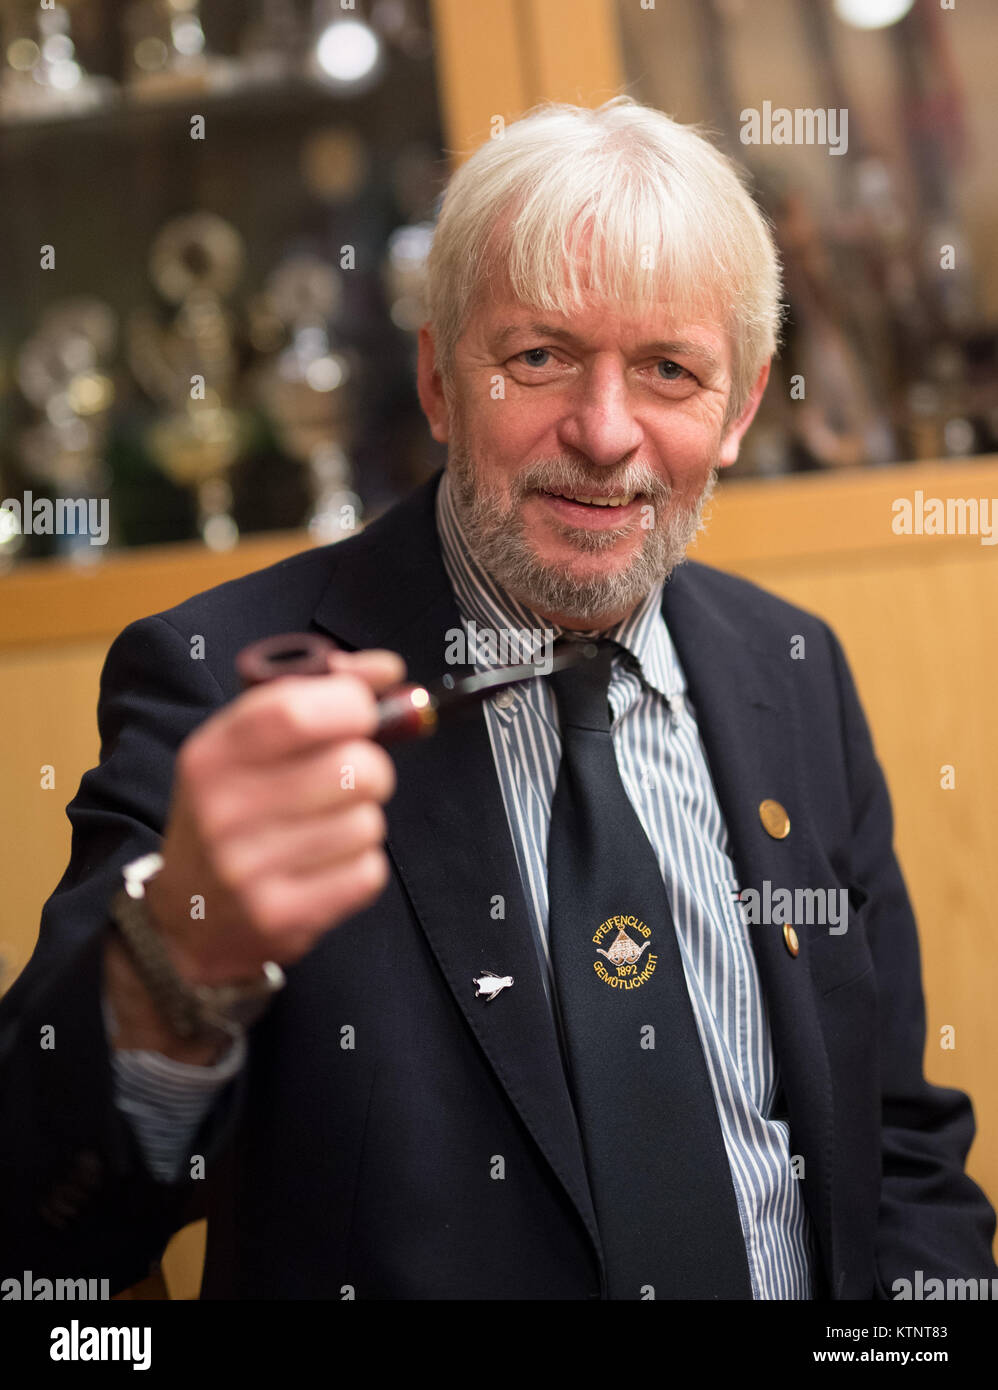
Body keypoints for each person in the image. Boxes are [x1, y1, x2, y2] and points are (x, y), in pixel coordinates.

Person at [1, 97, 995, 1301]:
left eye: (669, 370)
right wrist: (175, 963)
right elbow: (41, 1224)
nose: (603, 432)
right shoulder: (222, 676)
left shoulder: (791, 669)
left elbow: (893, 1147)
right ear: (434, 379)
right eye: (540, 357)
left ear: (736, 410)